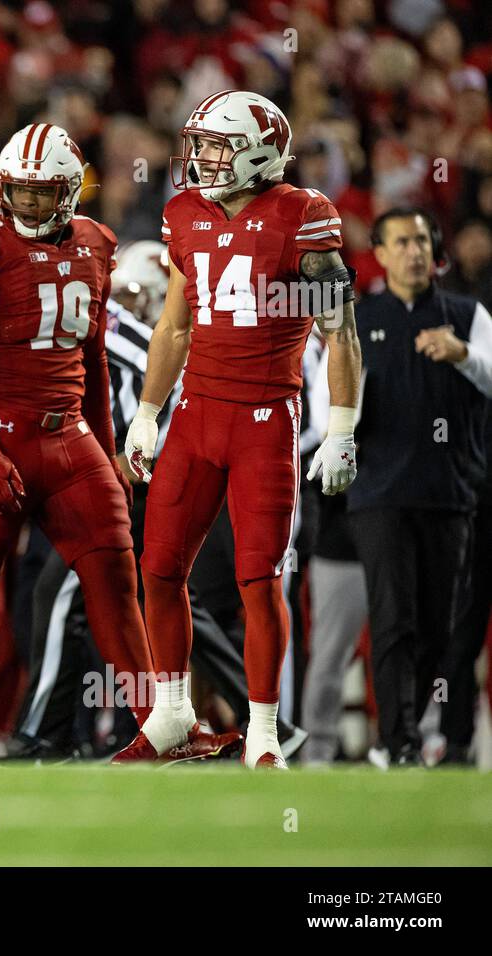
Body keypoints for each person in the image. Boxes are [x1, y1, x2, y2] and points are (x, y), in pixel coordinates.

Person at [0, 124, 173, 761]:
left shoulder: (97, 243)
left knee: (114, 576)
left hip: (70, 435)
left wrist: (106, 449)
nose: (25, 202)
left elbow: (93, 358)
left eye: (40, 192)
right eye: (18, 190)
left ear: (70, 193)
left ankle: (156, 728)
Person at [119, 91, 362, 769]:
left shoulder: (300, 214)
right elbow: (175, 326)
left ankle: (263, 731)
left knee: (260, 579)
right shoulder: (185, 213)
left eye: (217, 146)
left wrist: (342, 428)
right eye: (199, 144)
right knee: (158, 567)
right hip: (196, 415)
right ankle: (172, 712)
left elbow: (340, 331)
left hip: (264, 420)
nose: (202, 157)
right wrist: (147, 412)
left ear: (258, 152)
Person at [348, 207, 492, 765]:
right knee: (392, 620)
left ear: (435, 251)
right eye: (402, 242)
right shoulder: (357, 319)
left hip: (451, 493)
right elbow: (327, 397)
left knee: (440, 626)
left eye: (422, 241)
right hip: (379, 493)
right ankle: (399, 741)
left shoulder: (467, 314)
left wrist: (464, 355)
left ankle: (405, 731)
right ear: (380, 254)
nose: (414, 251)